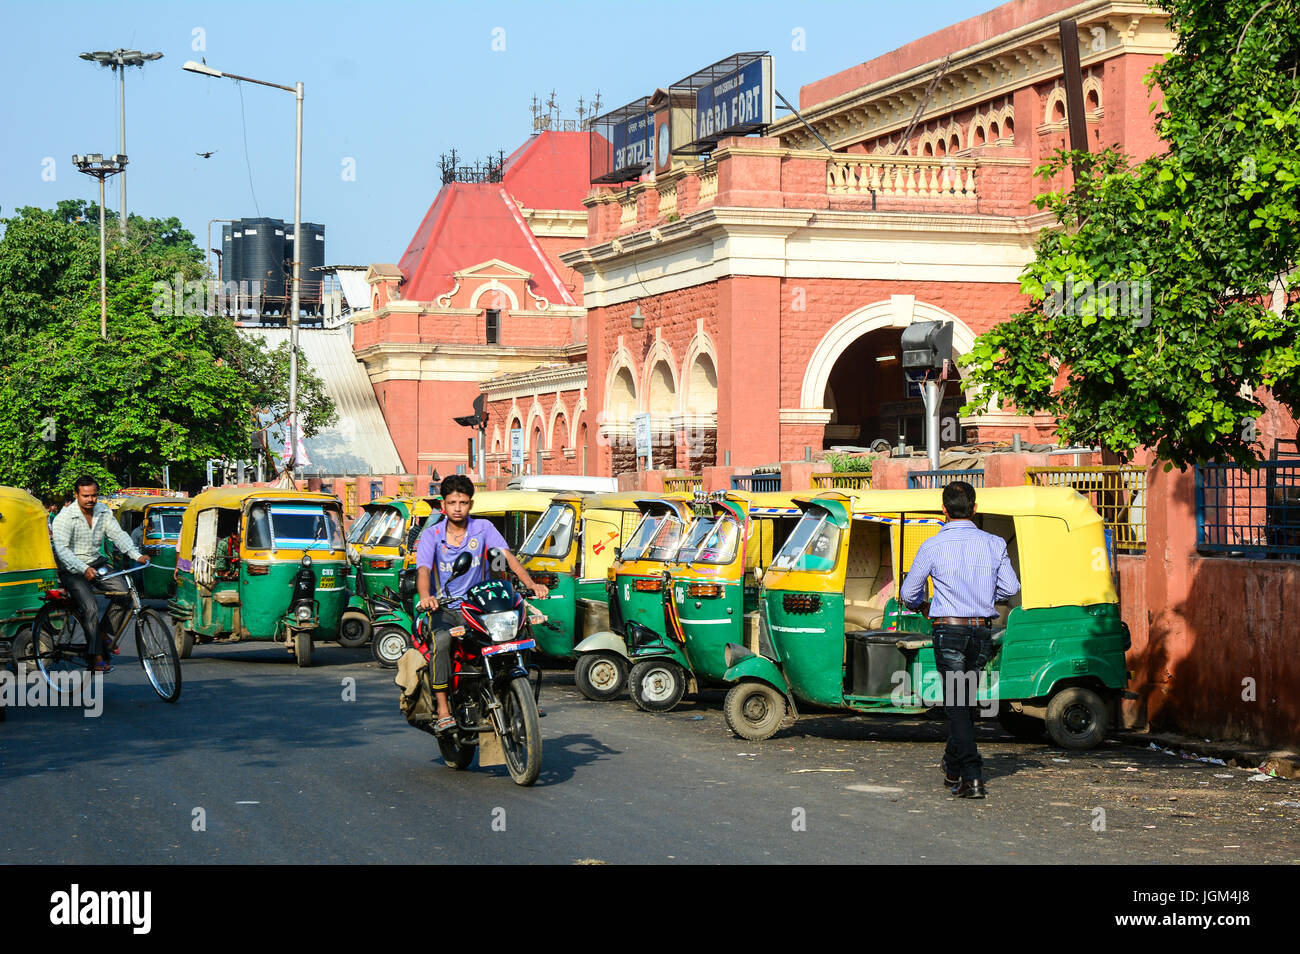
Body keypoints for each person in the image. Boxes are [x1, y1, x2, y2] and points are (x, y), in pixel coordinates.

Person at [900, 481, 1019, 799]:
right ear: (975, 509)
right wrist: (983, 600)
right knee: (964, 703)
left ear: (943, 509)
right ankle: (953, 766)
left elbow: (908, 593)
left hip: (948, 631)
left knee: (957, 704)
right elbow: (1010, 588)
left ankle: (972, 774)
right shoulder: (994, 544)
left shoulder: (932, 546)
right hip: (981, 631)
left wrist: (924, 606)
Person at [414, 475, 547, 733]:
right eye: (452, 502)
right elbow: (423, 571)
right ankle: (443, 708)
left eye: (463, 502)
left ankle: (521, 696)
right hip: (446, 608)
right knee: (441, 640)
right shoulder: (432, 535)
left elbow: (507, 557)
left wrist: (531, 584)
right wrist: (425, 597)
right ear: (444, 505)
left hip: (479, 607)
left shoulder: (483, 528)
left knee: (518, 630)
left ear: (470, 504)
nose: (457, 507)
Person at [50, 475, 149, 672]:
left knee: (124, 593)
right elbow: (62, 550)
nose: (90, 500)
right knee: (90, 608)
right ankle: (96, 655)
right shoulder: (65, 518)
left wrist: (136, 555)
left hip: (96, 562)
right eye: (85, 495)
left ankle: (102, 632)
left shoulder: (103, 511)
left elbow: (118, 535)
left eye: (94, 495)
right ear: (77, 495)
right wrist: (83, 569)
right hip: (72, 569)